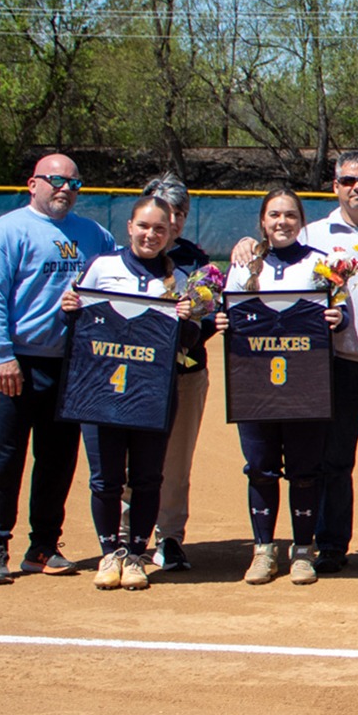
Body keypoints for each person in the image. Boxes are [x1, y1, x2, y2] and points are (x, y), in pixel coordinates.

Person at [233, 154, 358, 573]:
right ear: (334, 185)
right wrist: (246, 244)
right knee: (334, 461)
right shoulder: (314, 234)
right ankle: (332, 543)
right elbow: (273, 253)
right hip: (332, 363)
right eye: (348, 180)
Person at [0, 153, 117, 583]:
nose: (65, 189)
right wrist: (2, 354)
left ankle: (44, 546)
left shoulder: (94, 235)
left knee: (57, 459)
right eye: (56, 180)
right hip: (18, 360)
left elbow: (119, 278)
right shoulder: (7, 230)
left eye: (74, 183)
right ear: (33, 183)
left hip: (72, 364)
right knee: (3, 456)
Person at [62, 196, 196, 590]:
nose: (151, 234)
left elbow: (187, 344)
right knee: (105, 479)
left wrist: (188, 322)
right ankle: (110, 552)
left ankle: (136, 554)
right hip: (100, 388)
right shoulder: (103, 267)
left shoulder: (178, 281)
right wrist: (68, 307)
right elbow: (78, 324)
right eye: (144, 226)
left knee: (147, 477)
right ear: (129, 227)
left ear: (171, 231)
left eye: (159, 228)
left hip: (152, 391)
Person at [213, 189, 339, 584]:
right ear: (262, 221)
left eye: (289, 215)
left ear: (301, 221)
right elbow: (226, 312)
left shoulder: (322, 264)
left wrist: (338, 318)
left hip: (306, 382)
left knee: (305, 468)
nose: (281, 222)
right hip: (254, 382)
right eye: (273, 215)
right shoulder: (244, 264)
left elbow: (344, 313)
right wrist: (220, 321)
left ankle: (303, 549)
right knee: (261, 469)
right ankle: (263, 550)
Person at [137, 174, 215, 572]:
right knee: (132, 458)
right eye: (166, 210)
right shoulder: (125, 258)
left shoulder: (196, 261)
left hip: (186, 372)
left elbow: (211, 314)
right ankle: (127, 535)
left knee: (176, 462)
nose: (173, 220)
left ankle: (169, 537)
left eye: (180, 213)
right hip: (136, 373)